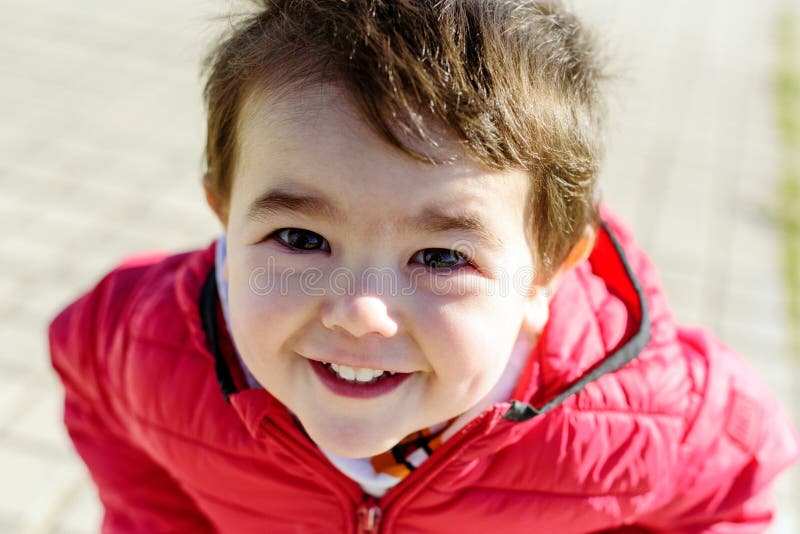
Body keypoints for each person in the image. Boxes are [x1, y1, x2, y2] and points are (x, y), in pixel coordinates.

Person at [49, 1, 799, 532]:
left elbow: (735, 479)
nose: (359, 312)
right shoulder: (154, 344)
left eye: (441, 257)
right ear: (224, 212)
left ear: (545, 277)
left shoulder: (633, 419)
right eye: (300, 238)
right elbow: (92, 381)